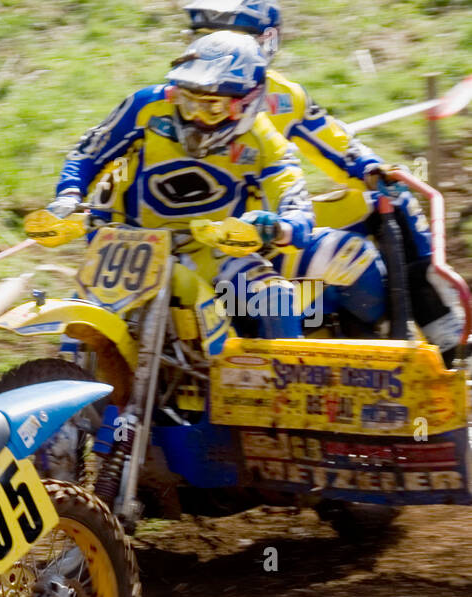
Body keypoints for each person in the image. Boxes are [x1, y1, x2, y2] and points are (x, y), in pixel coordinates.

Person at [183, 0, 464, 359]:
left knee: (393, 198)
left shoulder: (285, 97)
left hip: (275, 222)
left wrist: (371, 168)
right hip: (209, 231)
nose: (215, 52)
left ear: (264, 43)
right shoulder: (175, 100)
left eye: (227, 38)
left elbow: (339, 144)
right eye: (204, 38)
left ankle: (427, 330)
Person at [47, 31, 329, 338]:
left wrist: (279, 227)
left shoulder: (265, 142)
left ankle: (281, 384)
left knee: (278, 301)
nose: (195, 117)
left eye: (212, 107)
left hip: (212, 251)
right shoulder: (146, 106)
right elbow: (88, 151)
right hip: (131, 245)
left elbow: (297, 204)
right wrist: (69, 194)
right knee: (79, 322)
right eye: (186, 101)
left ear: (246, 105)